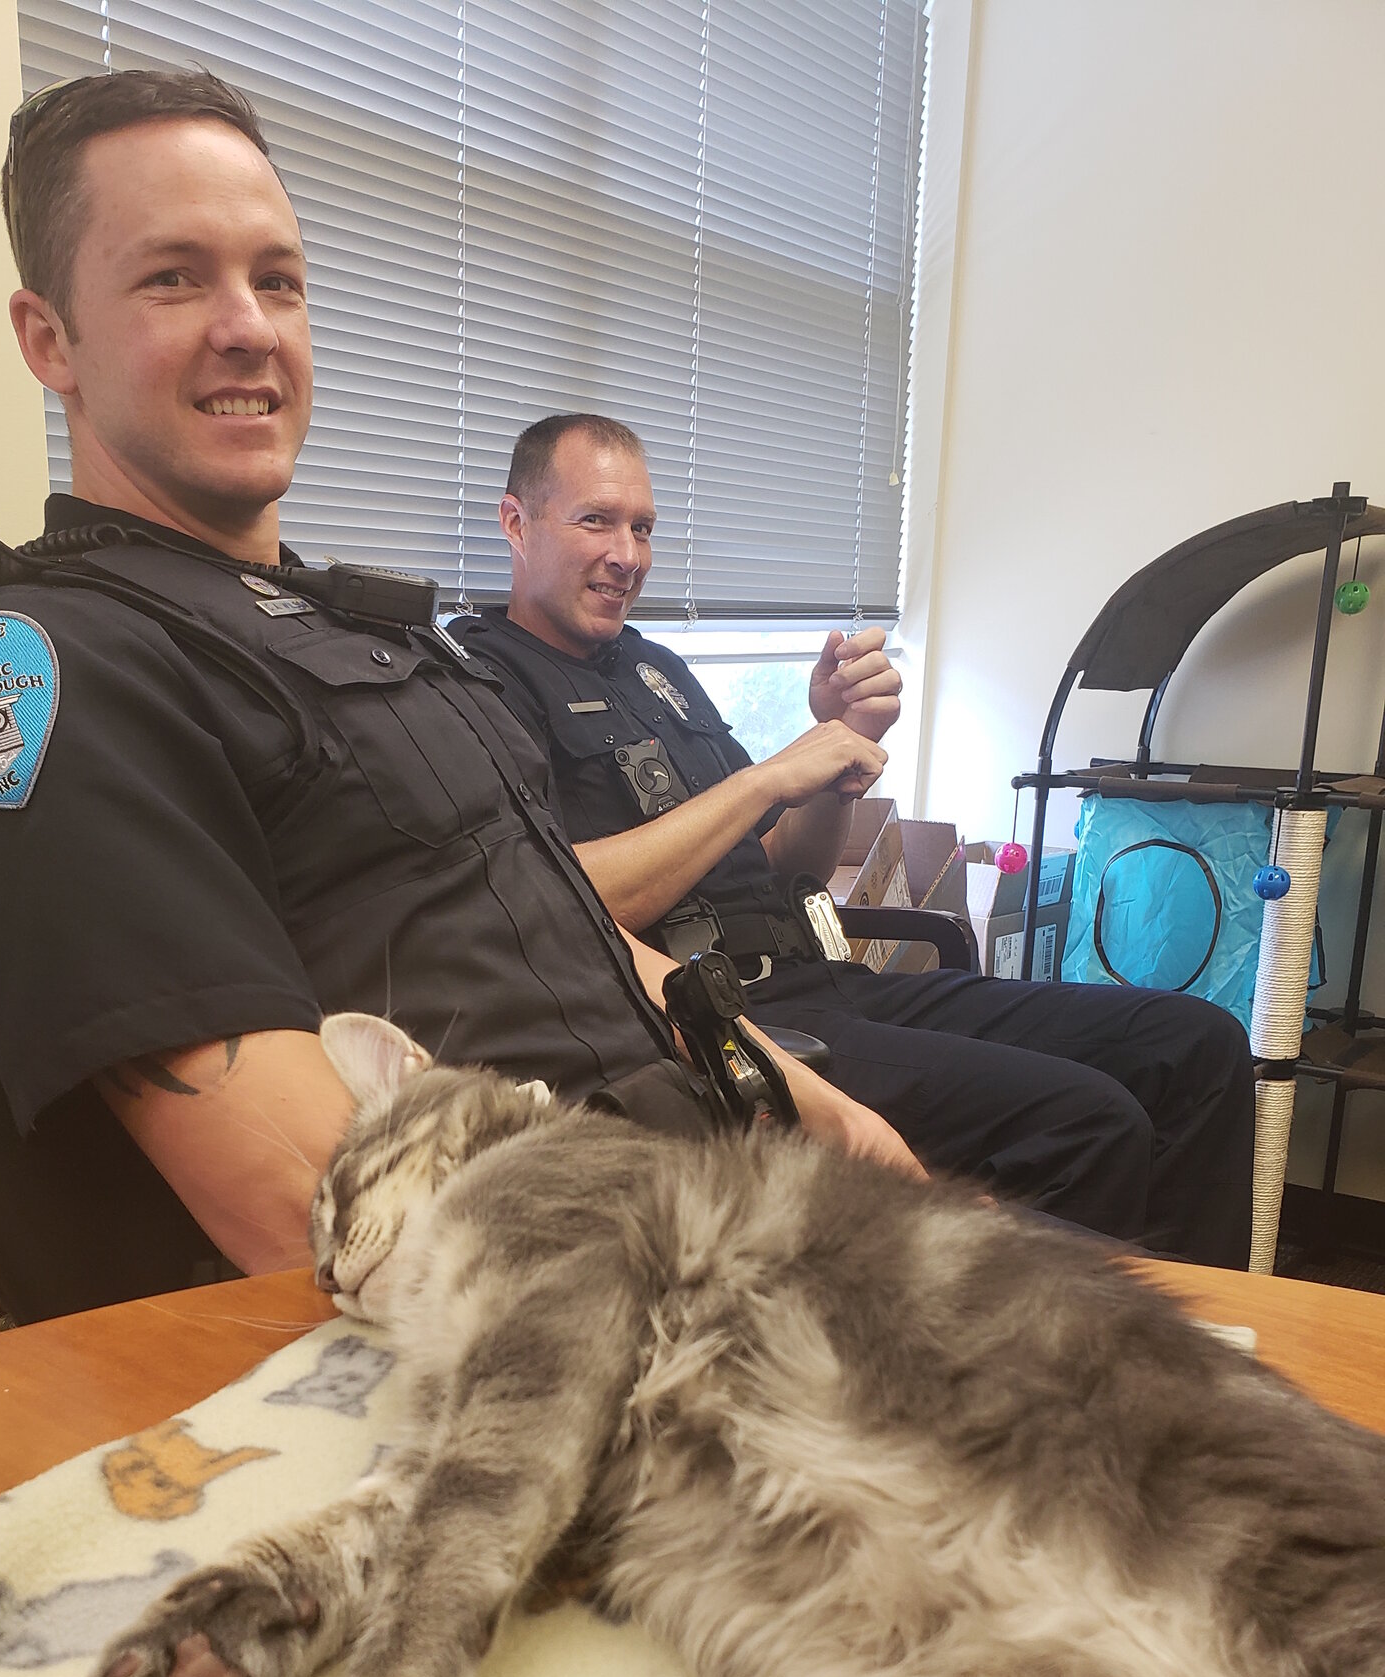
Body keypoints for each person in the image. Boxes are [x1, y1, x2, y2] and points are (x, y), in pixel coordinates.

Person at [0, 69, 918, 1281]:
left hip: (718, 1182)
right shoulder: (44, 669)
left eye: (278, 279)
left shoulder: (365, 630)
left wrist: (814, 1105)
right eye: (174, 276)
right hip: (575, 1296)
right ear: (47, 338)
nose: (250, 326)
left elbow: (569, 923)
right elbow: (315, 1207)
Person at [453, 414, 1257, 1267]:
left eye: (643, 527)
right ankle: (1011, 1371)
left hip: (824, 977)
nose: (628, 555)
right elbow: (552, 903)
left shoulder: (656, 670)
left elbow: (786, 866)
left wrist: (837, 766)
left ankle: (1213, 1340)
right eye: (596, 521)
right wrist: (765, 776)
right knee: (1088, 1121)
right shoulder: (476, 682)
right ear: (516, 521)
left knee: (1196, 1044)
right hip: (723, 1022)